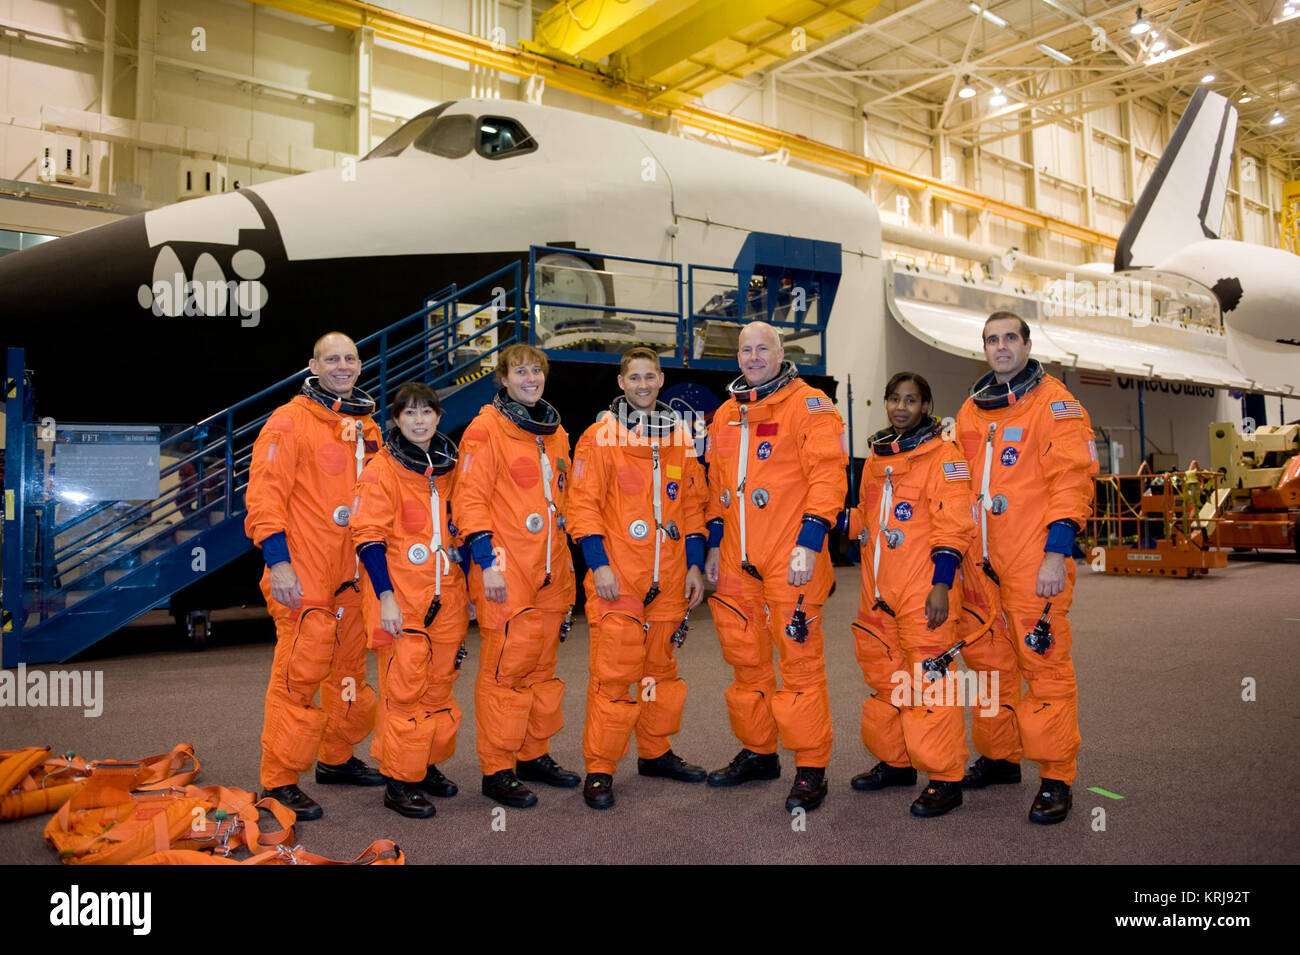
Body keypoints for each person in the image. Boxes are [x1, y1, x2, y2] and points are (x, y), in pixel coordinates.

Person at [954, 311, 1097, 824]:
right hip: (980, 563)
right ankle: (999, 758)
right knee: (989, 667)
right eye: (991, 340)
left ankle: (1056, 777)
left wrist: (1057, 552)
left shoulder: (1055, 405)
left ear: (1027, 343)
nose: (1000, 347)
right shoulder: (971, 412)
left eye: (1009, 337)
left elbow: (1072, 481)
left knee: (1044, 669)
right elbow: (955, 484)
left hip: (1033, 561)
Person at [703, 321, 848, 813]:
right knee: (746, 662)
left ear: (781, 351)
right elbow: (717, 492)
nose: (754, 356)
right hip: (736, 560)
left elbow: (828, 477)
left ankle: (810, 768)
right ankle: (759, 751)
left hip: (792, 558)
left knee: (800, 665)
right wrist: (713, 548)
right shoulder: (724, 415)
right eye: (746, 349)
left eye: (763, 347)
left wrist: (810, 541)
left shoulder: (810, 406)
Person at [245, 332, 383, 821]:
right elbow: (264, 496)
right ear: (313, 364)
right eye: (332, 359)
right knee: (298, 677)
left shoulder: (368, 426)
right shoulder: (289, 422)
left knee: (348, 673)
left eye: (349, 358)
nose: (342, 366)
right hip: (303, 570)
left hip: (352, 574)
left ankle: (337, 758)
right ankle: (277, 780)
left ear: (360, 365)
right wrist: (278, 560)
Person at [567, 347, 709, 810]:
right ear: (621, 382)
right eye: (635, 378)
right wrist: (598, 563)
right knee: (614, 675)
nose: (643, 385)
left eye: (651, 377)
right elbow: (582, 507)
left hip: (668, 576)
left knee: (660, 673)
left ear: (662, 380)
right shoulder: (598, 437)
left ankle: (655, 751)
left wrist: (693, 564)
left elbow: (691, 506)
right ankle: (600, 768)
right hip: (618, 576)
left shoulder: (679, 439)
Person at [847, 373, 986, 818]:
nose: (901, 407)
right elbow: (869, 520)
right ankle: (897, 761)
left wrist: (941, 584)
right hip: (877, 588)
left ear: (926, 405)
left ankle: (946, 779)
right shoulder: (876, 458)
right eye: (894, 399)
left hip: (924, 588)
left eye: (911, 400)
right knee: (885, 678)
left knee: (930, 683)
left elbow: (955, 525)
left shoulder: (944, 456)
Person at [454, 343, 580, 808]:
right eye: (520, 372)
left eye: (537, 371)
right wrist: (486, 562)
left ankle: (533, 754)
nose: (530, 379)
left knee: (542, 670)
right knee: (505, 670)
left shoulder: (555, 432)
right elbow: (468, 501)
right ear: (503, 379)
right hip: (506, 569)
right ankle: (497, 768)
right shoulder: (485, 430)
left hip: (551, 567)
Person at [352, 382, 467, 819]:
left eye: (427, 412)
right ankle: (399, 781)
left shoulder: (450, 469)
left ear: (438, 416)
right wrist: (385, 597)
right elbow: (368, 538)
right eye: (409, 413)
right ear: (396, 420)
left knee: (439, 689)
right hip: (401, 599)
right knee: (403, 692)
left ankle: (425, 764)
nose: (419, 420)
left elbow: (464, 528)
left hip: (447, 596)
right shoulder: (380, 470)